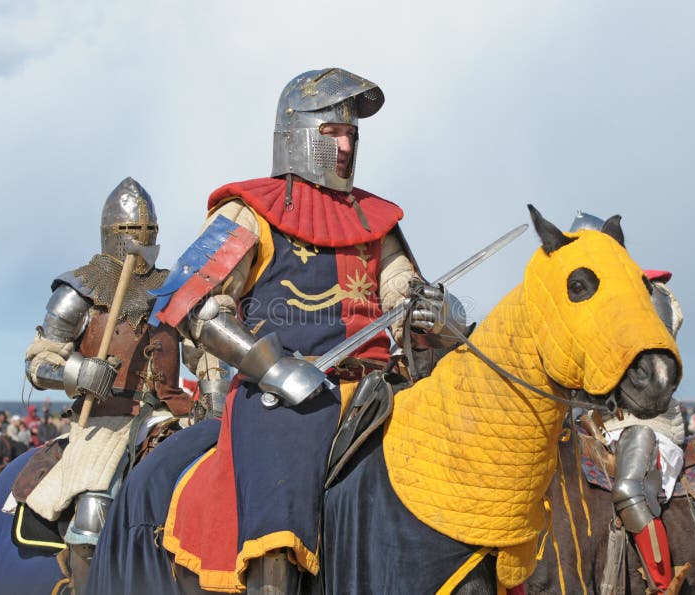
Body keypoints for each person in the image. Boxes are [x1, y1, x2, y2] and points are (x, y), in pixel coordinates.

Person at [151, 68, 464, 593]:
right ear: (297, 134)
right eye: (333, 133)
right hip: (284, 395)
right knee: (283, 487)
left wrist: (438, 312)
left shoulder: (376, 222)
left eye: (352, 135)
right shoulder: (248, 212)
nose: (346, 145)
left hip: (375, 390)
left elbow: (404, 292)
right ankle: (271, 580)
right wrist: (270, 367)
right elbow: (194, 302)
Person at [19, 177, 191, 591]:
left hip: (171, 414)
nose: (143, 240)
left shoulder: (175, 287)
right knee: (94, 505)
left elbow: (207, 348)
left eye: (150, 231)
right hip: (107, 420)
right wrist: (79, 373)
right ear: (113, 234)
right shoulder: (80, 288)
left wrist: (214, 392)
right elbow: (39, 361)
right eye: (133, 231)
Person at [570, 211, 688, 594]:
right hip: (593, 425)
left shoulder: (649, 293)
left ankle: (663, 583)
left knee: (628, 489)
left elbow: (653, 373)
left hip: (646, 421)